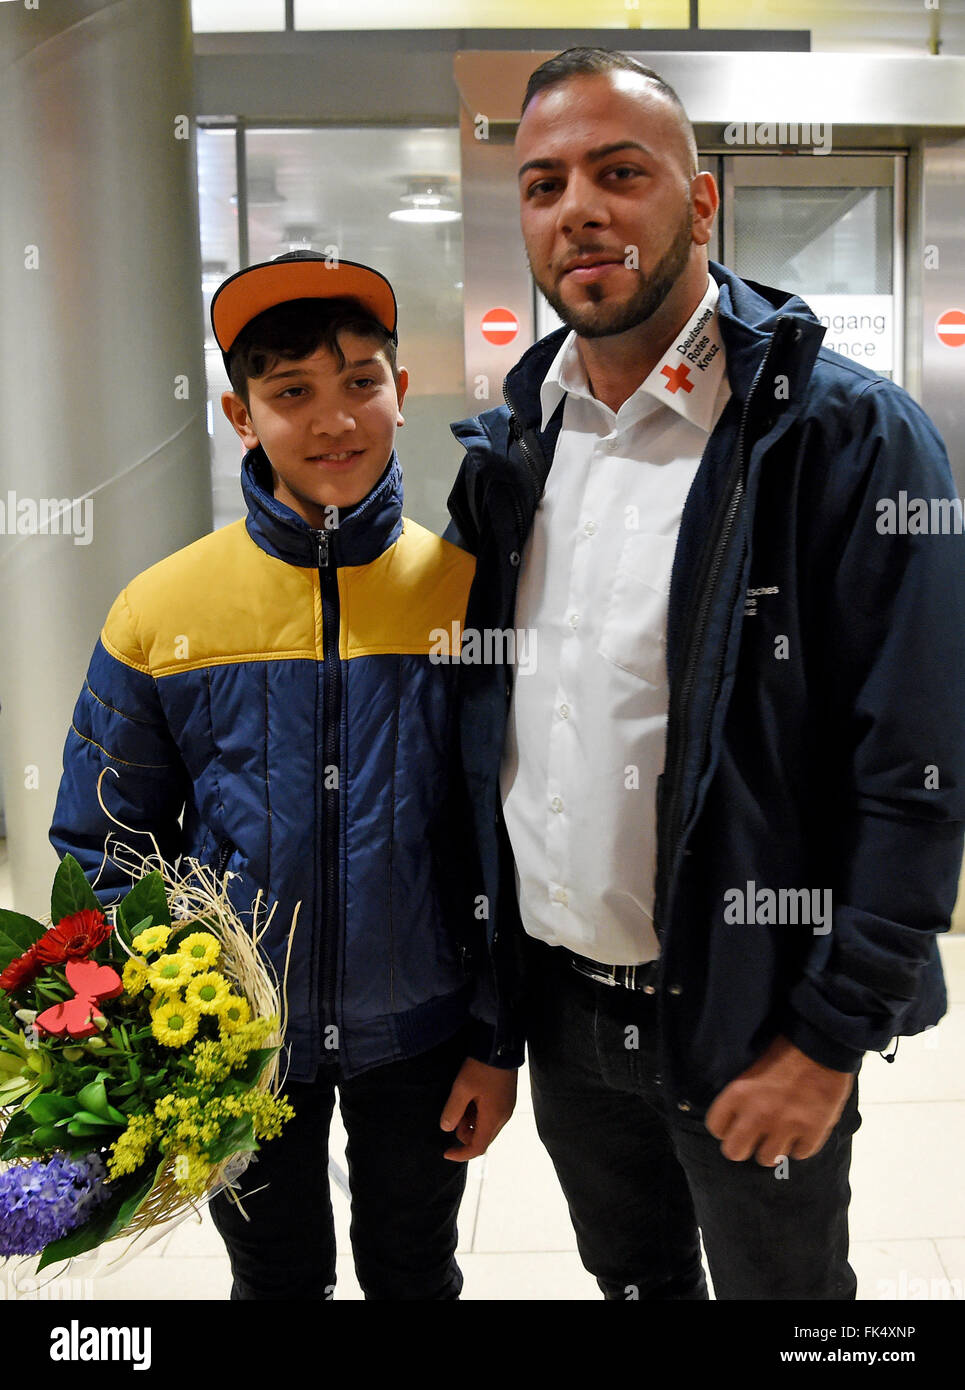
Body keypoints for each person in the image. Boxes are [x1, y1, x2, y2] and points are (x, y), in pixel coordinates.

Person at [446, 48, 965, 1300]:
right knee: (629, 1282)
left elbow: (915, 765)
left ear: (700, 200)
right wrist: (492, 1019)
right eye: (541, 182)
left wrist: (828, 1038)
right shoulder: (512, 446)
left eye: (619, 172)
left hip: (749, 1014)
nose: (577, 207)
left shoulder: (836, 431)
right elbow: (482, 743)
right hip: (566, 1017)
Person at [49, 251, 518, 1300]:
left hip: (422, 1027)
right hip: (240, 1050)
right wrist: (175, 1021)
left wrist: (496, 1036)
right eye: (291, 391)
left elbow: (500, 839)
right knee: (274, 1274)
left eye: (360, 382)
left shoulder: (461, 596)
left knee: (414, 1268)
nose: (333, 419)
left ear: (401, 392)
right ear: (240, 412)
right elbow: (102, 841)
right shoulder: (163, 609)